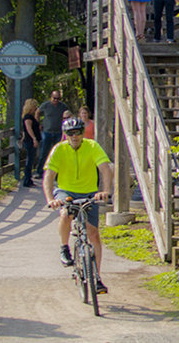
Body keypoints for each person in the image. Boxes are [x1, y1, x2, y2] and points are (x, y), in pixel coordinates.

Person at [43, 117, 114, 293]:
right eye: (70, 133)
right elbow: (49, 177)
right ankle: (64, 248)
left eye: (78, 133)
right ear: (65, 135)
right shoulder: (59, 150)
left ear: (83, 133)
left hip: (89, 192)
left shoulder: (92, 146)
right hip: (66, 191)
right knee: (66, 214)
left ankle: (96, 277)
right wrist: (50, 199)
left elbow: (105, 168)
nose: (74, 136)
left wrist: (104, 191)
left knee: (94, 235)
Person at [36, 90, 69, 172]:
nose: (56, 100)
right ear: (51, 97)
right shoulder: (46, 105)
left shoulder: (63, 106)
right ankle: (40, 170)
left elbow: (68, 114)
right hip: (47, 131)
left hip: (58, 132)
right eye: (54, 98)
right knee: (44, 151)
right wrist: (38, 123)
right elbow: (37, 112)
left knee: (58, 152)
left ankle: (57, 171)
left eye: (58, 98)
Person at [20, 98, 41, 187]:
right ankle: (27, 180)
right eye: (34, 106)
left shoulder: (30, 116)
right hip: (30, 141)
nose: (35, 108)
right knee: (29, 160)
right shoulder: (27, 117)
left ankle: (29, 179)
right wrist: (34, 139)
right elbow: (28, 128)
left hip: (30, 140)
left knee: (31, 160)